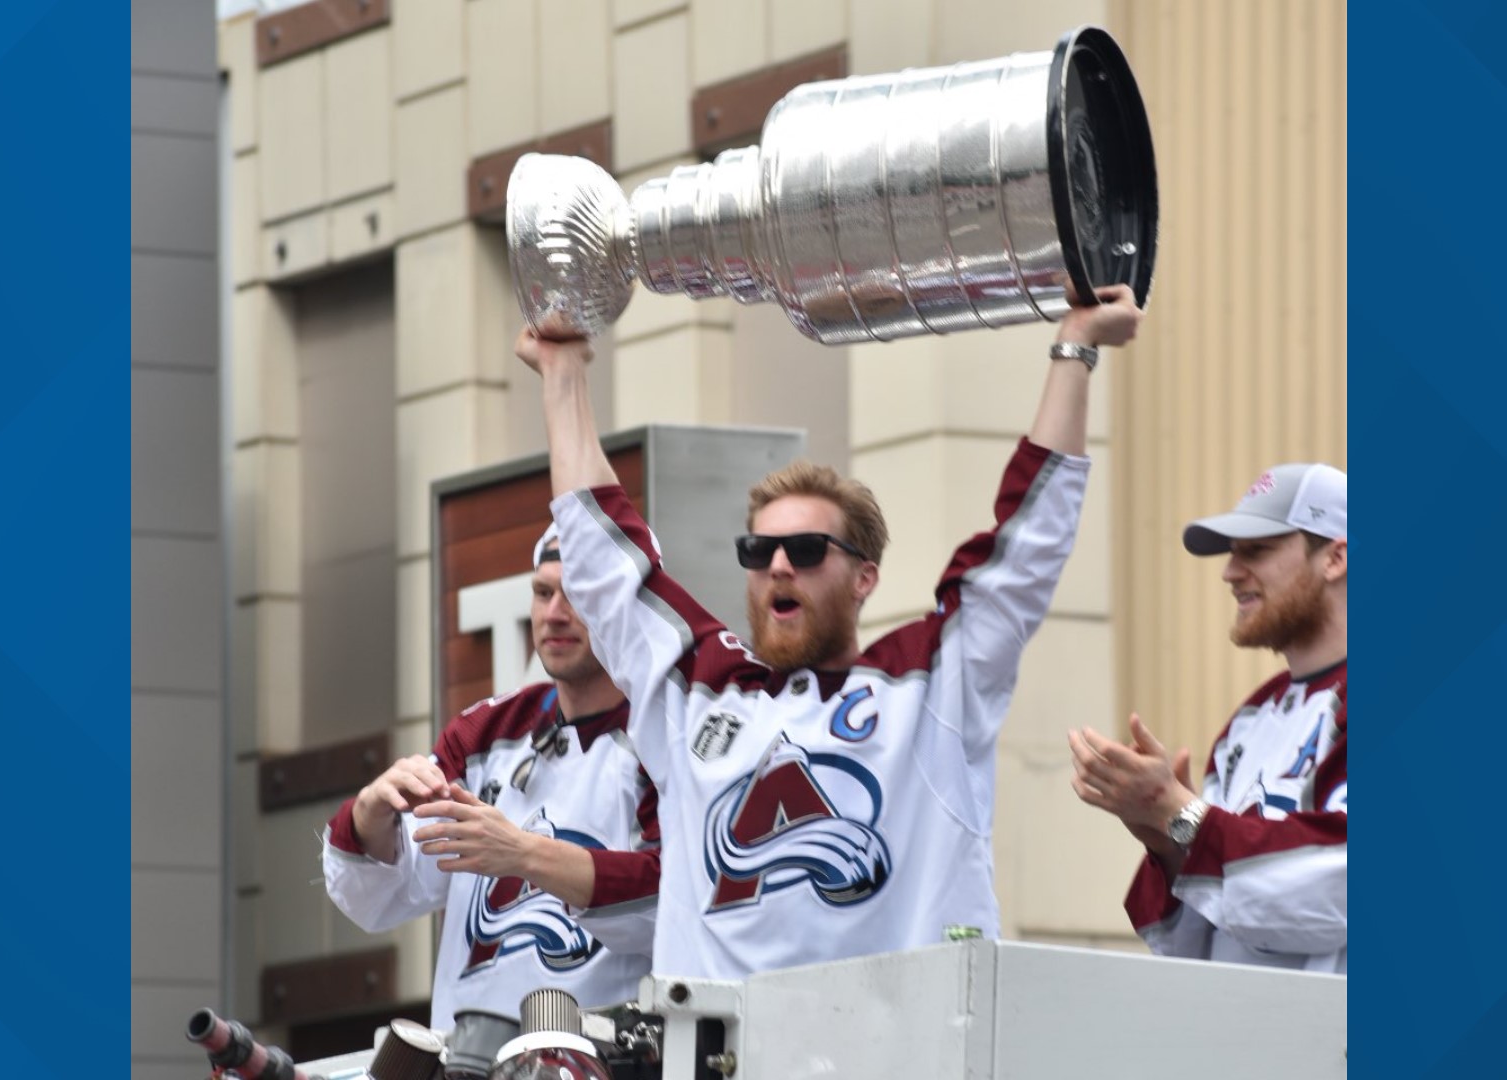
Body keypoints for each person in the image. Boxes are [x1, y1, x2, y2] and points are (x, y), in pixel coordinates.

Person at [516, 285, 1143, 979]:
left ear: (864, 578)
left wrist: (1075, 348)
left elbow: (1023, 550)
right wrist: (563, 372)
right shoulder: (696, 692)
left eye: (809, 551)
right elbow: (608, 564)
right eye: (760, 553)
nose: (780, 565)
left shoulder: (931, 682)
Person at [321, 527, 661, 1030]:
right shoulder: (486, 732)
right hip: (464, 1062)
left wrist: (524, 853)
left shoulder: (669, 737)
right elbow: (380, 897)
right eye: (543, 592)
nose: (554, 613)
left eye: (578, 595)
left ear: (632, 603)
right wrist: (371, 813)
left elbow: (673, 905)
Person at [1069, 463, 1347, 973]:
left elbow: (1340, 886)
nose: (1230, 571)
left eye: (1257, 549)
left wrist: (1181, 815)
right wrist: (1162, 834)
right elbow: (1193, 943)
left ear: (1335, 558)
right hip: (1246, 1037)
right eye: (1232, 553)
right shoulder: (1251, 719)